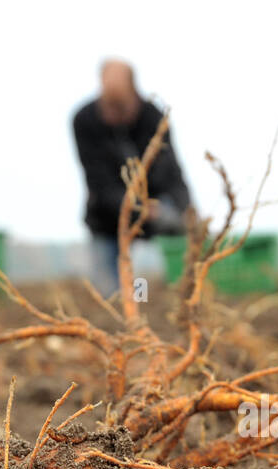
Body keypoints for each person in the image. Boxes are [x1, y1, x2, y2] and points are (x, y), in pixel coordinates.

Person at [72, 59, 191, 295]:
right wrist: (137, 207)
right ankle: (122, 316)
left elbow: (172, 170)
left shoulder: (153, 118)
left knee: (142, 291)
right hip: (106, 221)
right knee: (111, 296)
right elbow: (98, 183)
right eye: (110, 107)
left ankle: (140, 315)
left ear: (134, 94)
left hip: (153, 221)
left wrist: (183, 207)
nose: (114, 115)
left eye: (121, 107)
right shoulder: (85, 120)